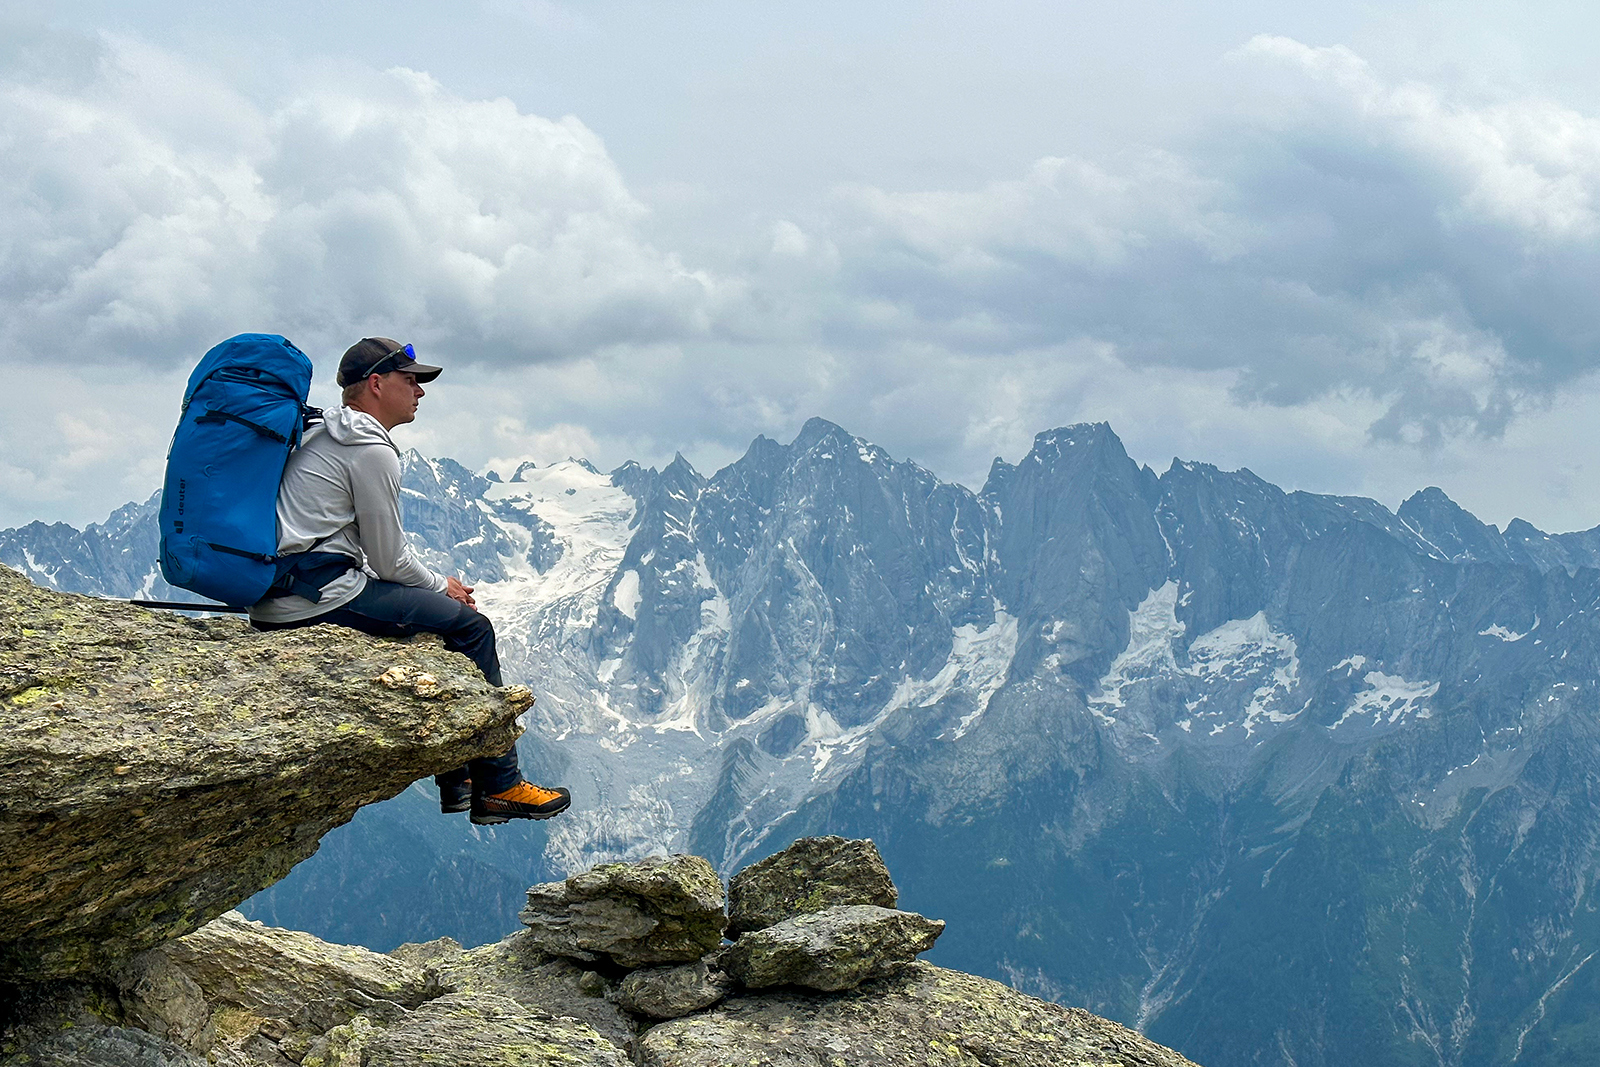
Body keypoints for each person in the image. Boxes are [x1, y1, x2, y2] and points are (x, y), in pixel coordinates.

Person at [248, 337, 570, 825]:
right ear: (376, 385)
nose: (420, 391)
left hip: (286, 588)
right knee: (470, 628)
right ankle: (499, 786)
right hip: (317, 596)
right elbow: (390, 561)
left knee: (435, 622)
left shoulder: (323, 431)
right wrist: (444, 588)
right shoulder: (368, 450)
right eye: (411, 380)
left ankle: (458, 778)